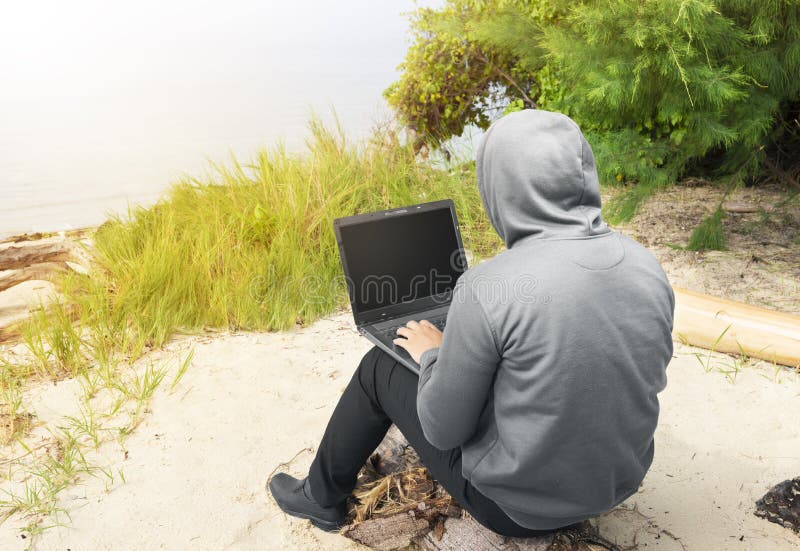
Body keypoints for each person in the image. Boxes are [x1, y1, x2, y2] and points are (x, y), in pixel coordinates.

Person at [269, 109, 675, 536]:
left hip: (517, 509)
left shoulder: (487, 287)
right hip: (614, 487)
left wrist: (434, 354)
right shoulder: (646, 265)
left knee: (379, 366)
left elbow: (443, 432)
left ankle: (320, 498)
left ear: (498, 188)